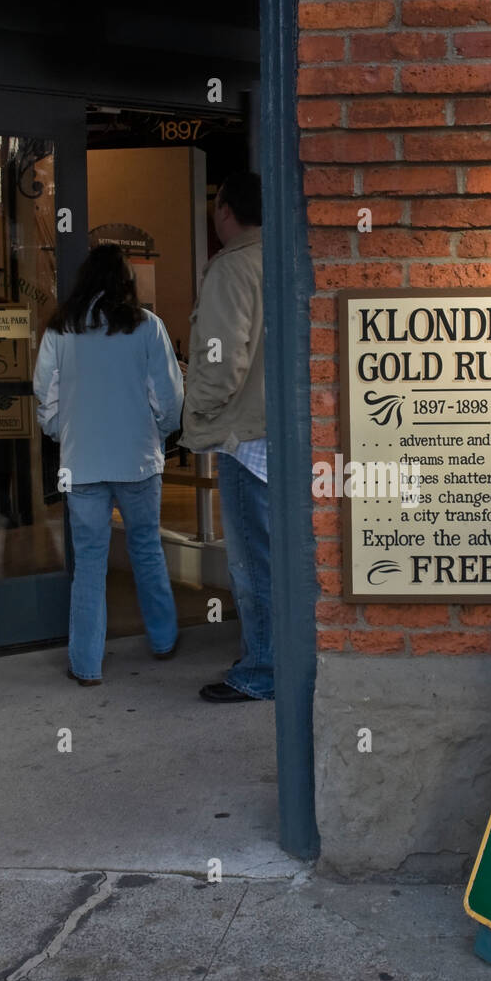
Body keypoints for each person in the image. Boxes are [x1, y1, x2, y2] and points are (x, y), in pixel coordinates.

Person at [33, 245, 183, 685]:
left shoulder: (62, 329)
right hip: (138, 459)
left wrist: (64, 432)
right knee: (147, 550)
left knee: (91, 563)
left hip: (82, 464)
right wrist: (157, 432)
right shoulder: (148, 327)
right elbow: (171, 398)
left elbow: (45, 395)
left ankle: (86, 664)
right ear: (126, 281)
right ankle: (163, 638)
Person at [182, 173, 271, 703]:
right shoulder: (287, 260)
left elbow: (220, 356)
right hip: (285, 433)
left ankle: (262, 670)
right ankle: (274, 656)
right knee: (278, 559)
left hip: (245, 439)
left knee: (252, 563)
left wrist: (204, 413)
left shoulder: (232, 267)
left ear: (224, 211)